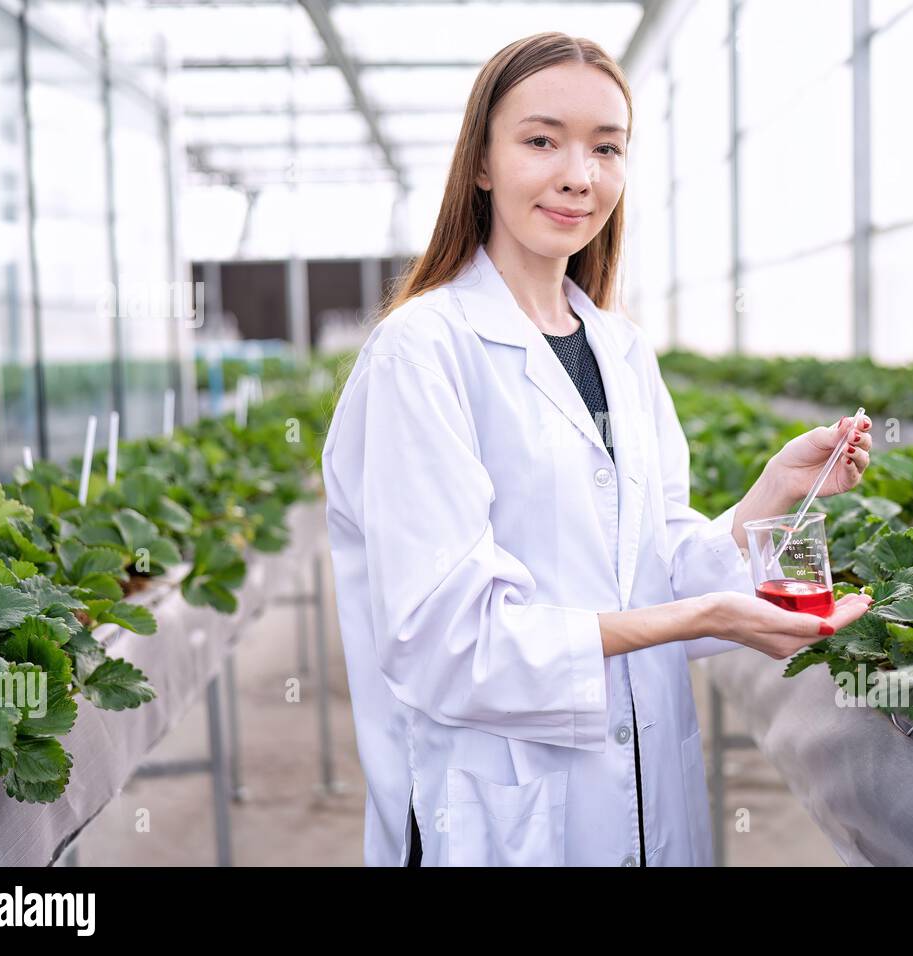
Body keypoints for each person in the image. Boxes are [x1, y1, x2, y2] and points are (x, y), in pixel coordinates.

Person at [321, 31, 874, 867]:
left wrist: (771, 496)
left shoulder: (619, 349)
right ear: (481, 161)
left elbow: (652, 564)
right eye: (542, 140)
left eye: (606, 148)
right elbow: (446, 643)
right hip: (499, 813)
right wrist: (698, 617)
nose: (581, 174)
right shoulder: (423, 352)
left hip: (646, 799)